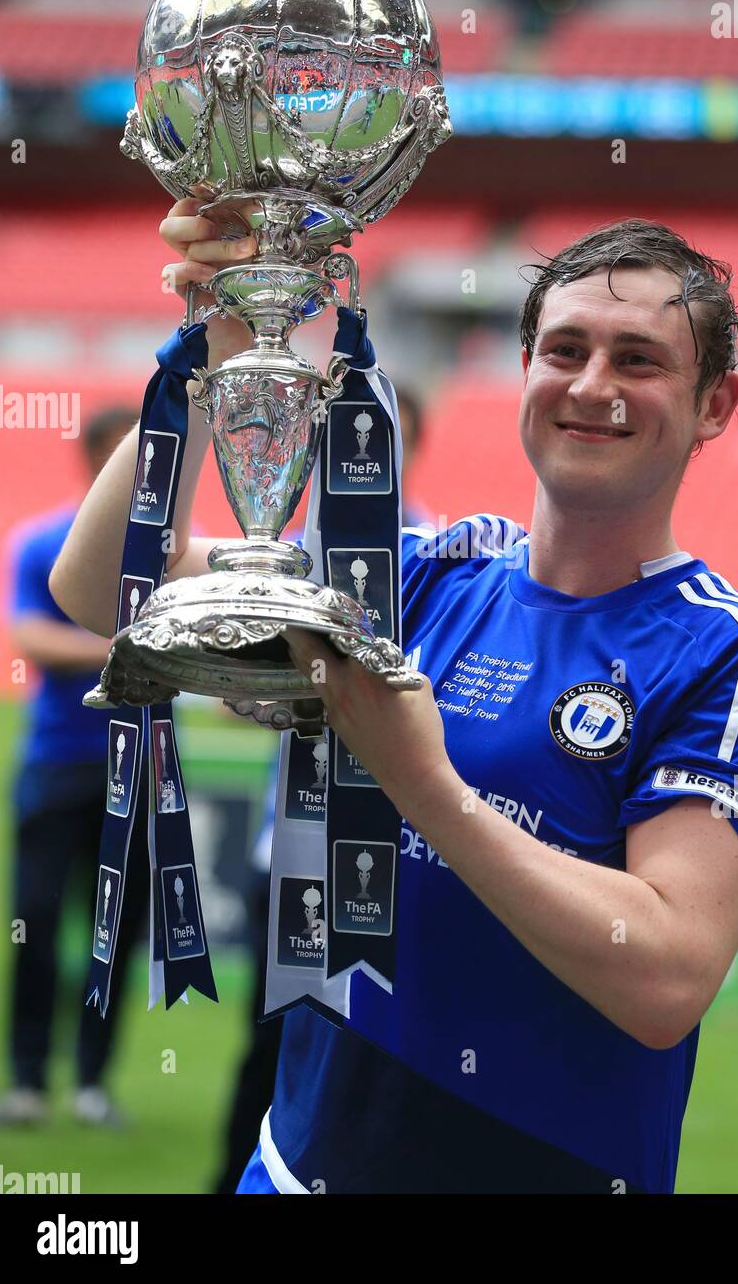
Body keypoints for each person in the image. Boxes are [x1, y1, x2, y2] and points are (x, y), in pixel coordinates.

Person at [50, 203, 738, 1193]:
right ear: (525, 369)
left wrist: (424, 783)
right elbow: (106, 580)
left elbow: (664, 973)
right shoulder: (420, 575)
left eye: (637, 360)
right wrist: (223, 339)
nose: (591, 385)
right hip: (294, 1169)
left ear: (715, 403)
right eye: (565, 349)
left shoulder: (727, 652)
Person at [210, 375, 438, 1193]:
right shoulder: (296, 557)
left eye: (377, 437)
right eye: (342, 435)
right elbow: (99, 588)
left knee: (372, 1057)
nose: (361, 454)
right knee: (271, 1048)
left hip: (394, 862)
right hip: (296, 853)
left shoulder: (438, 562)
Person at [0, 405, 147, 1131]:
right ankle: (26, 1082)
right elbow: (30, 637)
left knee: (115, 936)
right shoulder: (43, 542)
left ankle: (91, 1082)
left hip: (141, 771)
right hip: (56, 765)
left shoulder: (167, 552)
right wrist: (137, 645)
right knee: (37, 921)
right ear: (94, 462)